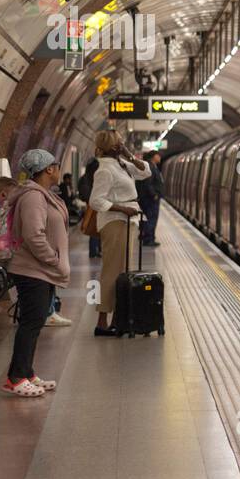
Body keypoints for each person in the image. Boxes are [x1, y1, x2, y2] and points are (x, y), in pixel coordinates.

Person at [1, 149, 70, 397]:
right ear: (48, 169)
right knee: (30, 323)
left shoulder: (41, 195)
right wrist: (53, 259)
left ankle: (27, 372)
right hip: (33, 270)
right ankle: (16, 378)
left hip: (40, 270)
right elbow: (33, 236)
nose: (59, 169)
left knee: (36, 321)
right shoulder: (33, 197)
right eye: (57, 165)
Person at [88, 129, 152, 336]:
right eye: (120, 143)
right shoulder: (105, 170)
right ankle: (101, 321)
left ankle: (118, 317)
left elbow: (146, 172)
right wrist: (123, 208)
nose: (123, 144)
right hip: (115, 223)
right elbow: (96, 200)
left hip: (127, 222)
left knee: (123, 271)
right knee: (111, 271)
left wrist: (129, 155)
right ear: (113, 146)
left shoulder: (121, 165)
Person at [137, 151, 164, 247]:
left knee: (148, 218)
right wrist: (154, 195)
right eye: (158, 155)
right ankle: (148, 239)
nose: (160, 157)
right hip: (150, 199)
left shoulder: (151, 166)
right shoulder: (151, 167)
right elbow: (148, 183)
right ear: (154, 157)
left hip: (147, 198)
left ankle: (147, 237)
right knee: (151, 218)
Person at [77, 157, 101, 258]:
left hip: (94, 206)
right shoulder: (88, 178)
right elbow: (86, 194)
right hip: (92, 207)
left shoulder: (87, 177)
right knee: (93, 229)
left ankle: (97, 250)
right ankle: (93, 251)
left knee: (96, 229)